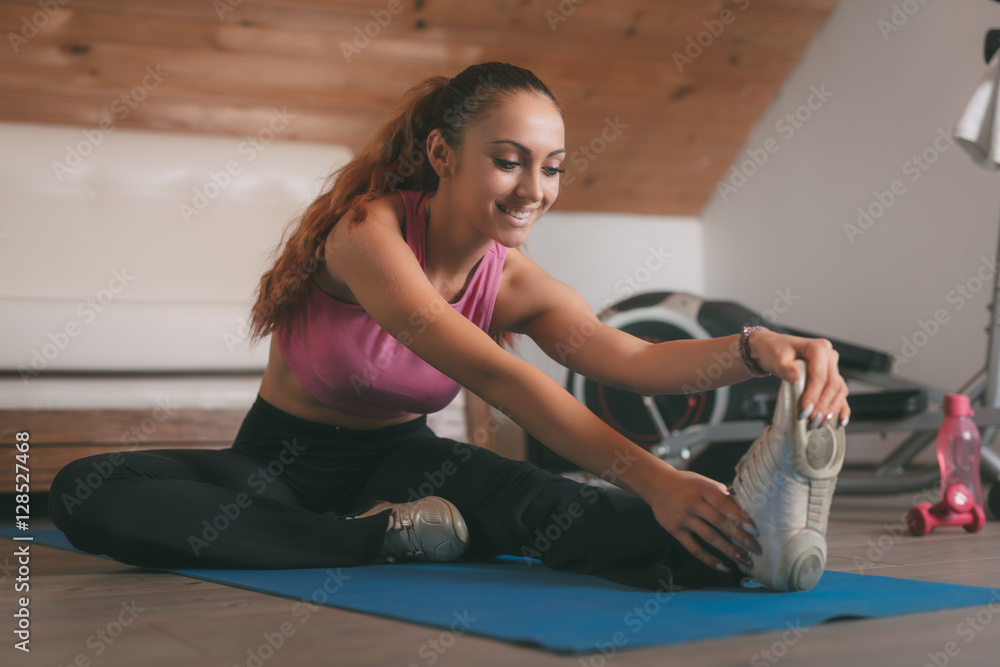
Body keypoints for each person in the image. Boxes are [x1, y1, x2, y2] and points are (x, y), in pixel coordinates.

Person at [48, 62, 850, 591]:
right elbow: (497, 376)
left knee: (550, 507)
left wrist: (761, 348)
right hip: (279, 466)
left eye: (553, 166)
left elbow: (630, 356)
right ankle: (373, 541)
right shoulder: (369, 233)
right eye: (509, 159)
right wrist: (651, 472)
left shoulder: (516, 279)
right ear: (441, 152)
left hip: (406, 465)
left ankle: (749, 545)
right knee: (84, 490)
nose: (534, 186)